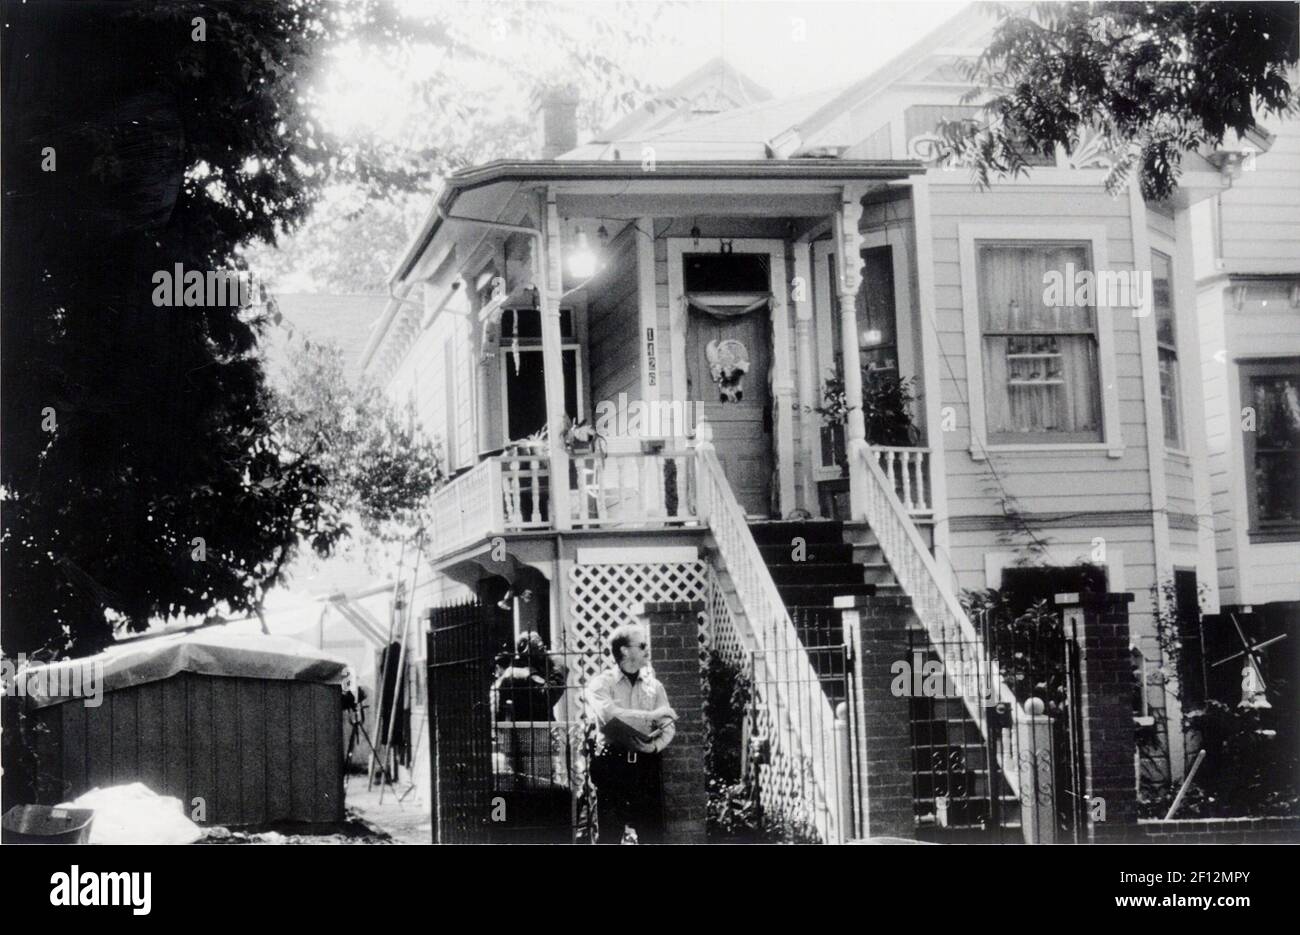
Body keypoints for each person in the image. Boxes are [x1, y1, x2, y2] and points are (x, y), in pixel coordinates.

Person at [584, 622, 676, 844]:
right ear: (624, 650)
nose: (647, 650)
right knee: (609, 835)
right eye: (642, 645)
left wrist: (654, 746)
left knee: (652, 834)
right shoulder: (600, 685)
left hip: (646, 765)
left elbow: (669, 724)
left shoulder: (655, 686)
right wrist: (654, 714)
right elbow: (612, 716)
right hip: (613, 764)